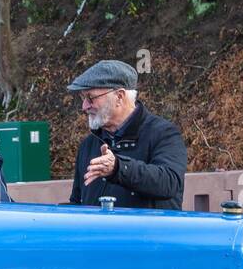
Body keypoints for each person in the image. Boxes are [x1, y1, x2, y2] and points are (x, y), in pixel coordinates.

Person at [66, 59, 187, 210]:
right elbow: (78, 201)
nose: (84, 106)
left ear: (119, 97)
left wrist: (118, 168)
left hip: (148, 233)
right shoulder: (88, 144)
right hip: (98, 234)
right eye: (83, 98)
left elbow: (169, 183)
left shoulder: (164, 134)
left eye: (90, 97)